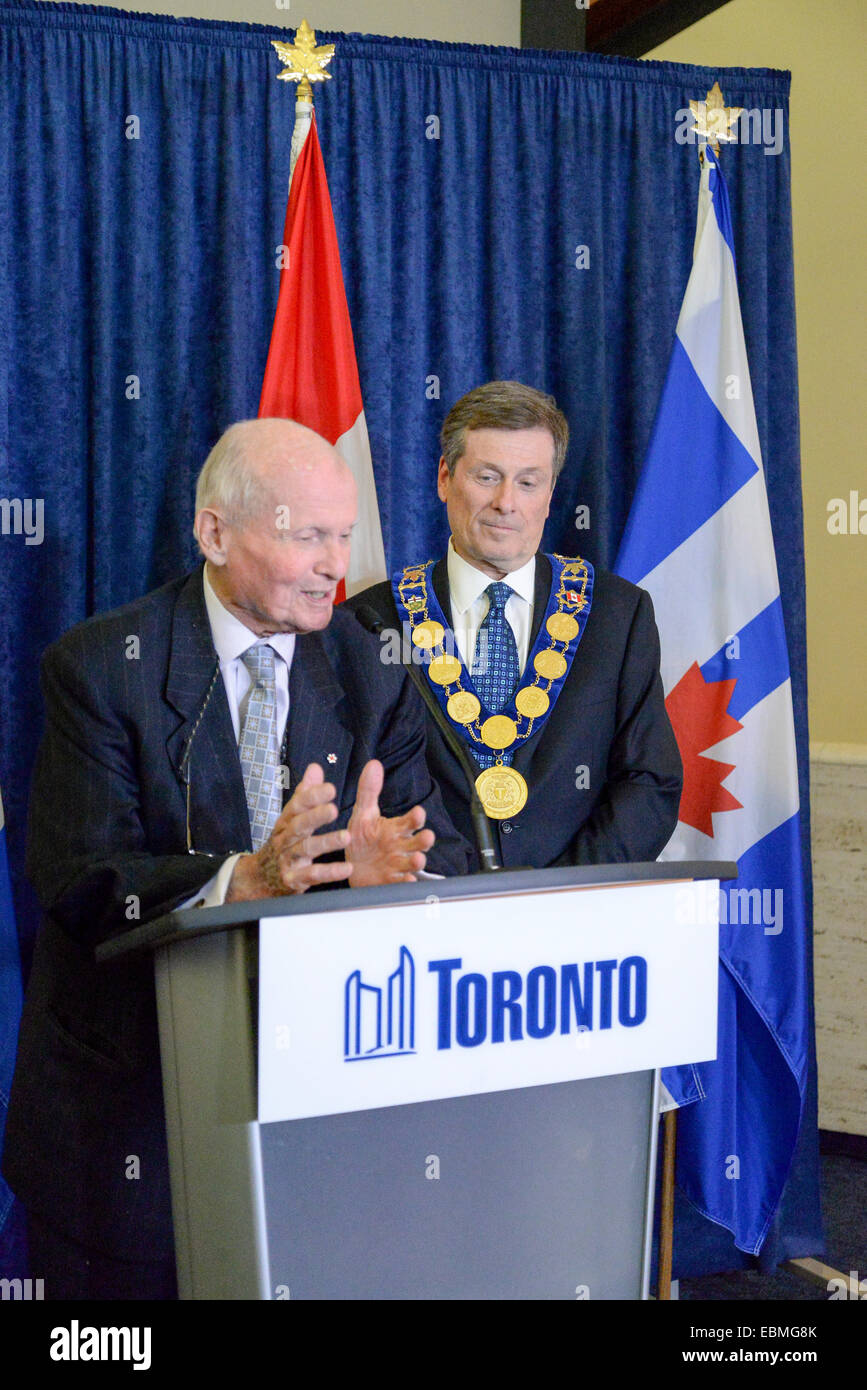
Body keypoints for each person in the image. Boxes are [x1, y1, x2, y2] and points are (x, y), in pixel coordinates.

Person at [3, 418, 469, 1299]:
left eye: (344, 534)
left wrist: (389, 876)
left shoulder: (372, 669)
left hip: (319, 1120)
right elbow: (79, 881)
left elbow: (431, 849)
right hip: (134, 1118)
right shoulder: (103, 669)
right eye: (307, 536)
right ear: (215, 534)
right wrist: (242, 881)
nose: (337, 563)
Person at [348, 381, 683, 871]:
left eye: (528, 483)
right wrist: (462, 895)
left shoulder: (618, 614)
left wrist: (558, 901)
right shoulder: (369, 622)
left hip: (576, 927)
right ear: (444, 478)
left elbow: (649, 781)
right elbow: (365, 789)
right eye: (487, 477)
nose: (507, 502)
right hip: (428, 913)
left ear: (549, 495)